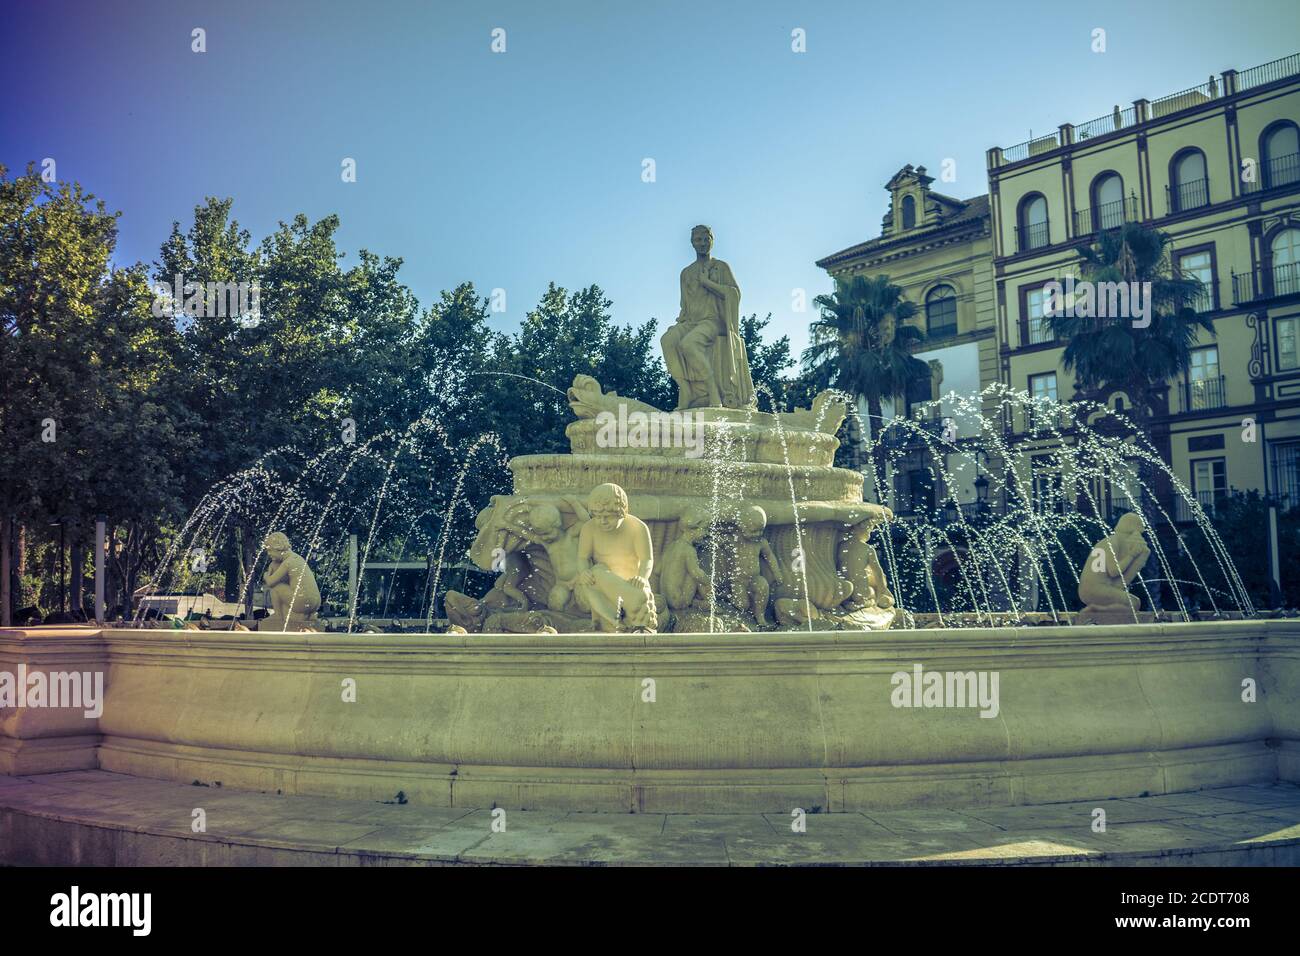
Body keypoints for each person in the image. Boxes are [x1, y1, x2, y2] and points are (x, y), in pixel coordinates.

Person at [660, 225, 754, 409]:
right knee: (667, 340)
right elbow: (685, 305)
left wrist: (707, 283)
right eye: (698, 240)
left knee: (689, 344)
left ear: (712, 240)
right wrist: (679, 323)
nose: (702, 243)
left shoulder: (721, 267)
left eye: (706, 239)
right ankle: (686, 389)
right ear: (692, 243)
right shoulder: (686, 273)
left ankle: (713, 392)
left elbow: (734, 294)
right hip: (691, 322)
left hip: (714, 321)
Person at [574, 483, 657, 632]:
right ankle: (612, 621)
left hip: (632, 586)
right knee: (593, 574)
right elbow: (582, 558)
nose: (602, 521)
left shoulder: (637, 528)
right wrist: (584, 571)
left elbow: (647, 560)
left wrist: (642, 578)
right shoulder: (589, 528)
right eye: (598, 516)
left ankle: (627, 619)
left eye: (608, 517)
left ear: (621, 512)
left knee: (637, 597)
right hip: (603, 587)